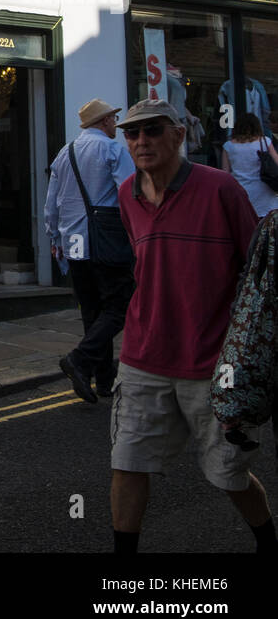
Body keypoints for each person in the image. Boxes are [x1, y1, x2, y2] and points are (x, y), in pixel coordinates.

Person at [110, 99, 276, 553]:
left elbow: (255, 271)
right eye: (132, 133)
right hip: (143, 355)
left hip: (213, 362)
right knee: (128, 462)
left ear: (179, 135)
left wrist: (247, 349)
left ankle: (267, 540)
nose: (142, 141)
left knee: (229, 473)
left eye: (153, 131)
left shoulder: (221, 190)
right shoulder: (127, 194)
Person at [44, 98, 135, 402]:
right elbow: (129, 194)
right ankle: (80, 360)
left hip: (73, 242)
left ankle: (104, 382)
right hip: (105, 239)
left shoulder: (64, 153)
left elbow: (52, 203)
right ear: (103, 122)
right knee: (119, 306)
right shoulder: (112, 150)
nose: (115, 124)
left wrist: (55, 240)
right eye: (112, 119)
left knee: (93, 311)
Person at [221, 112, 278, 218]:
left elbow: (225, 175)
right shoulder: (265, 141)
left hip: (241, 195)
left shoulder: (228, 146)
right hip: (266, 197)